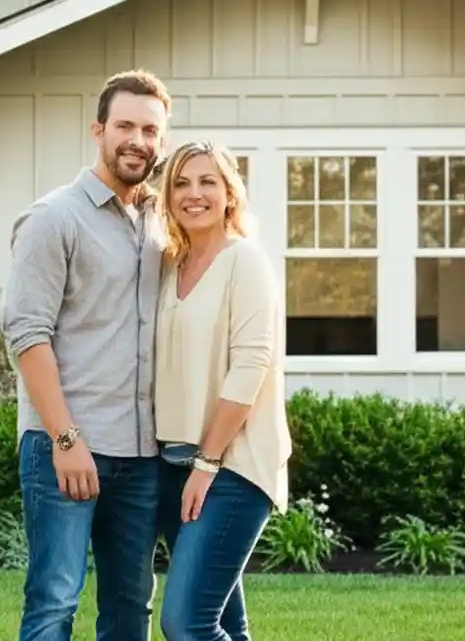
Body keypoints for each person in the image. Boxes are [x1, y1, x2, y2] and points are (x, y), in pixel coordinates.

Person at [2, 69, 172, 641]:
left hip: (142, 455)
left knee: (130, 610)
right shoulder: (54, 218)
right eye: (125, 125)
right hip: (65, 448)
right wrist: (66, 440)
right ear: (98, 130)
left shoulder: (159, 224)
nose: (137, 140)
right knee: (54, 602)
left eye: (150, 130)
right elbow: (28, 335)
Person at [152, 140, 292, 641]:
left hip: (233, 466)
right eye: (181, 183)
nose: (194, 194)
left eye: (207, 181)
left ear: (229, 193)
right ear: (167, 197)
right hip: (174, 463)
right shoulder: (169, 267)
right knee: (224, 622)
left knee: (186, 622)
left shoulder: (245, 261)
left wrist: (206, 464)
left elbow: (251, 365)